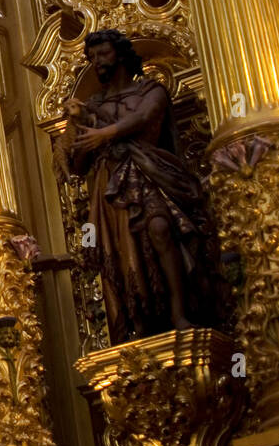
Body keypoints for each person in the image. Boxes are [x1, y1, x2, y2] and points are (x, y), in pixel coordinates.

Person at [57, 30, 218, 342]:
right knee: (117, 253)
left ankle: (178, 311)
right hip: (109, 187)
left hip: (151, 174)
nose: (97, 62)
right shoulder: (92, 104)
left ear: (120, 54)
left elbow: (144, 118)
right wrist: (76, 124)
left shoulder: (150, 90)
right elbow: (77, 166)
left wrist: (105, 132)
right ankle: (136, 323)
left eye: (102, 54)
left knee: (160, 228)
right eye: (92, 58)